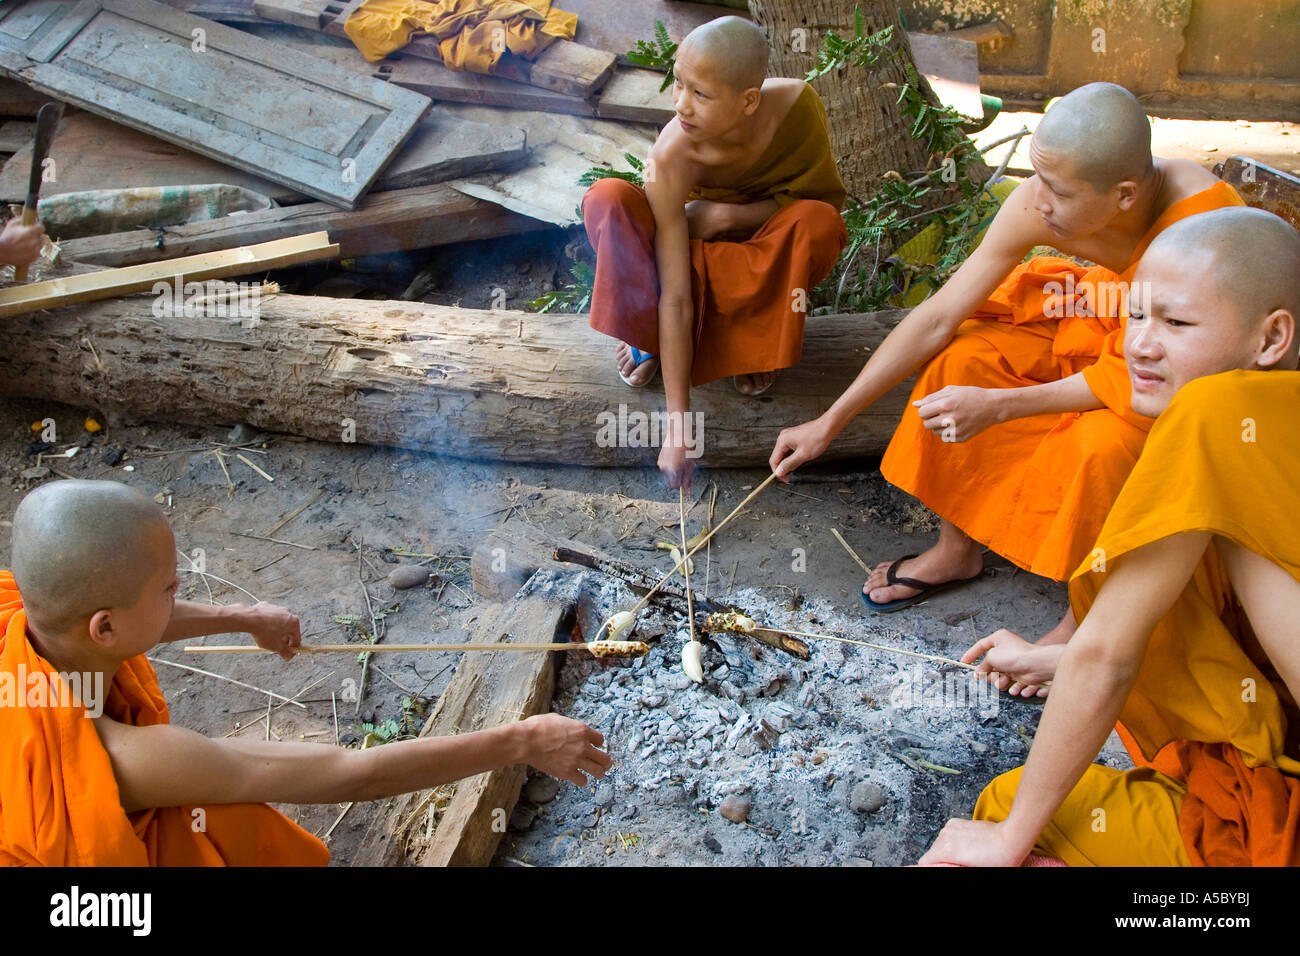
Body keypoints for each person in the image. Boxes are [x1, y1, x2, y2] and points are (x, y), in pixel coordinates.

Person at [770, 83, 1243, 635]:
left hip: (1172, 369)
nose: (1036, 199)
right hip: (1105, 320)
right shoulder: (1042, 198)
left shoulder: (1198, 229)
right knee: (963, 357)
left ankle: (1084, 619)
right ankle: (955, 549)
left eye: (1058, 191)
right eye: (1036, 174)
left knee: (1104, 445)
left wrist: (1000, 407)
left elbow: (1156, 375)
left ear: (1125, 196)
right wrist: (831, 420)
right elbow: (937, 316)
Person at [921, 207, 1300, 866]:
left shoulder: (1216, 416)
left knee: (1007, 817)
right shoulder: (1272, 416)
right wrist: (1057, 661)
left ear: (1271, 338)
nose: (1139, 345)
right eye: (1135, 316)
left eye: (1176, 323)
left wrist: (1007, 844)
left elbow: (1110, 657)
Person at [0, 480, 611, 865]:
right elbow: (352, 774)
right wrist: (522, 739)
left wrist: (242, 616)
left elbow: (132, 616)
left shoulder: (26, 614)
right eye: (169, 587)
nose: (177, 593)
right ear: (102, 629)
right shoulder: (129, 762)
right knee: (221, 815)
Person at [583, 15, 847, 489]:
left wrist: (726, 215)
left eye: (700, 94)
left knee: (818, 225)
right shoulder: (671, 156)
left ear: (749, 100)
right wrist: (678, 428)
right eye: (678, 84)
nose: (682, 105)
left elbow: (819, 201)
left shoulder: (796, 109)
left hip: (748, 253)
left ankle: (753, 339)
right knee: (608, 200)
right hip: (682, 259)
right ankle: (648, 335)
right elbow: (676, 292)